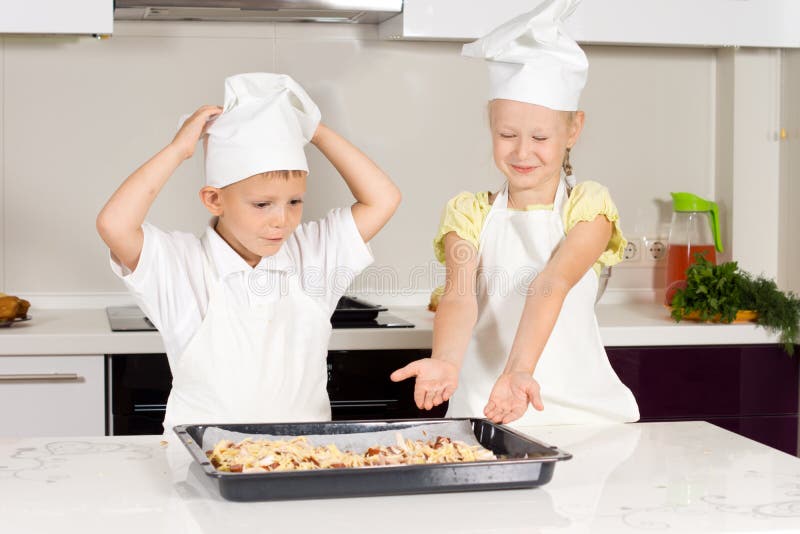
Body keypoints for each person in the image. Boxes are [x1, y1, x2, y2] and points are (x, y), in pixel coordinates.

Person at [97, 72, 401, 432]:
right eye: (262, 204)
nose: (282, 220)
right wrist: (178, 151)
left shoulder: (312, 256)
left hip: (303, 459)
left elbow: (384, 198)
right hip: (203, 459)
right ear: (214, 199)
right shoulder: (182, 265)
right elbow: (114, 225)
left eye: (295, 202)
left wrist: (312, 129)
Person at [391, 0, 639, 426]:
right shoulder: (468, 214)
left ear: (573, 130)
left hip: (580, 415)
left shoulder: (588, 209)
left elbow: (551, 282)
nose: (522, 152)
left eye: (540, 136)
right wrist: (446, 361)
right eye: (507, 134)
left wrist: (519, 370)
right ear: (491, 125)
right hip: (486, 410)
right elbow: (459, 295)